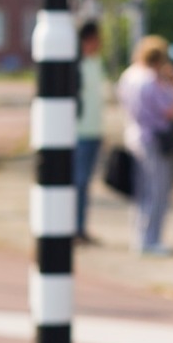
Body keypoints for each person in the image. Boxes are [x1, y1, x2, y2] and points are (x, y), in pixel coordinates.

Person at [117, 35, 173, 256]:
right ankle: (150, 240)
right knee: (157, 190)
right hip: (155, 138)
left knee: (141, 190)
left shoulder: (128, 75)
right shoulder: (151, 81)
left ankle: (139, 236)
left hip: (134, 135)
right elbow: (170, 110)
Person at [72, 19, 107, 246]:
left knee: (85, 184)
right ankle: (74, 228)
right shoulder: (74, 66)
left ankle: (81, 227)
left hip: (93, 132)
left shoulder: (95, 64)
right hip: (79, 133)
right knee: (78, 182)